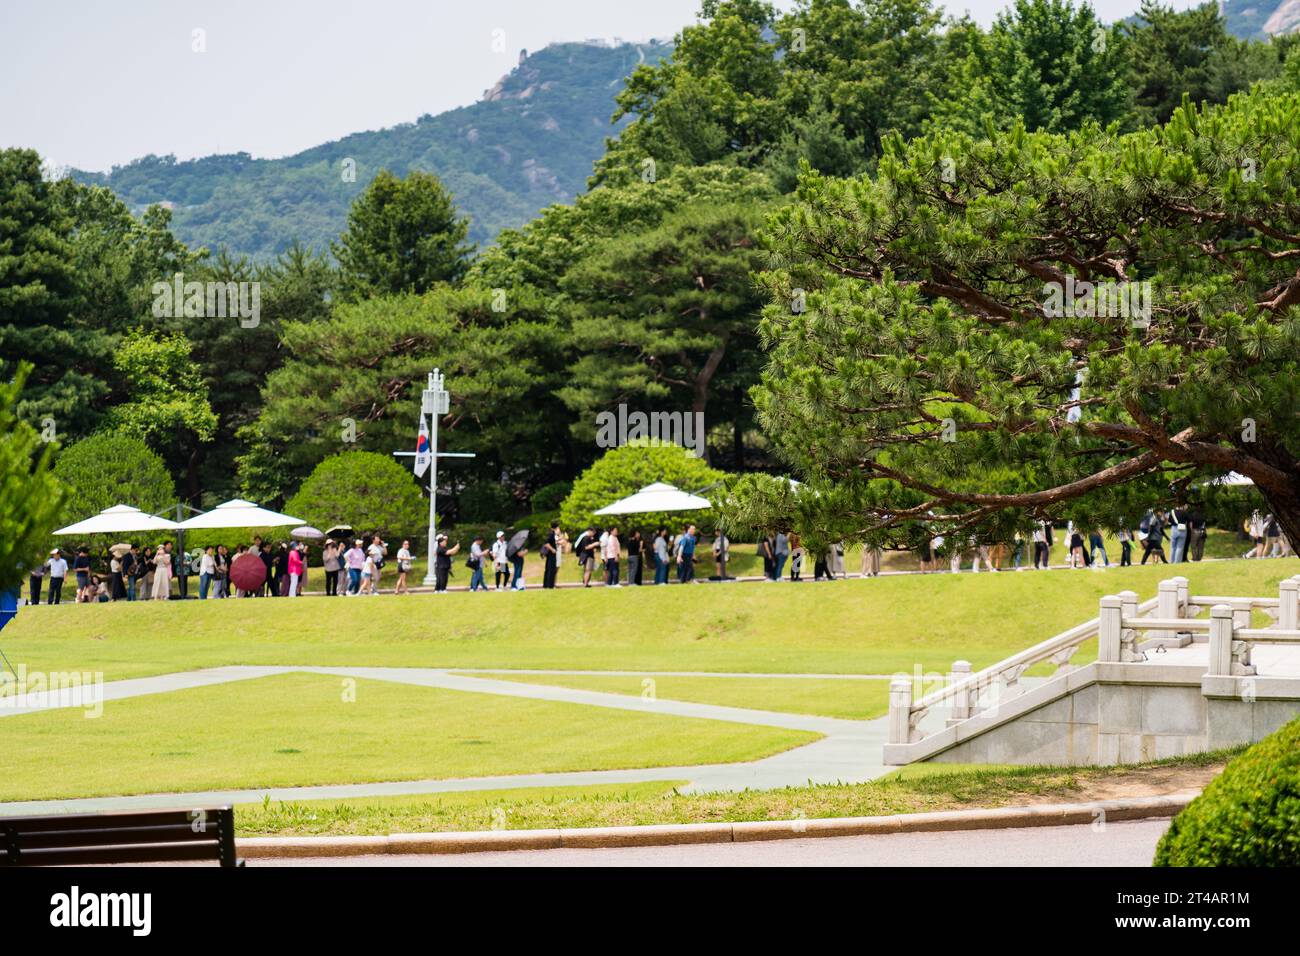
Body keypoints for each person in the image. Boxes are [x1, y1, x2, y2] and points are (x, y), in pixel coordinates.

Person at [542, 523, 559, 589]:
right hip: (551, 554)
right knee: (551, 569)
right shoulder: (551, 534)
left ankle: (546, 584)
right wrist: (552, 549)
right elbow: (546, 543)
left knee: (548, 569)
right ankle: (550, 585)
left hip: (550, 554)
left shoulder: (551, 533)